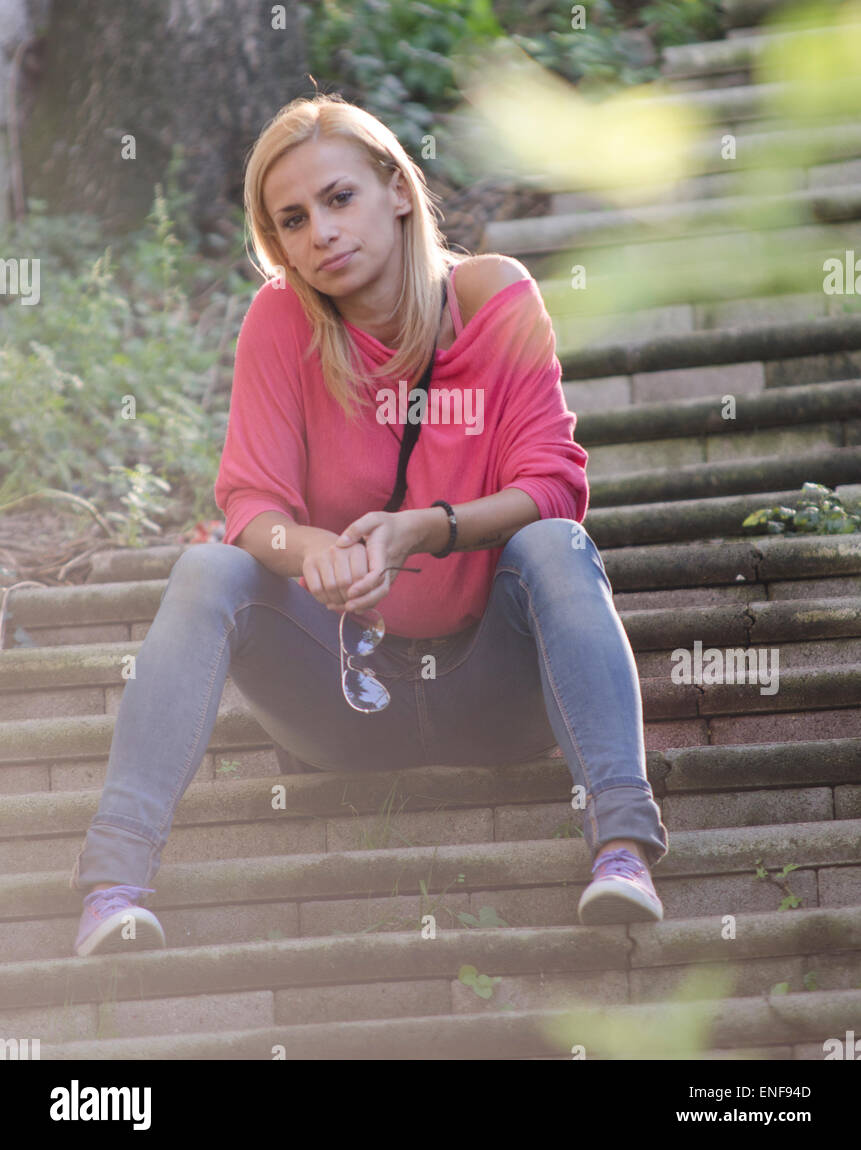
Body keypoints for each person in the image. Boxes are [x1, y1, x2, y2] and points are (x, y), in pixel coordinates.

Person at [70, 93, 669, 958]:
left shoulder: (493, 296)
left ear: (396, 187)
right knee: (209, 569)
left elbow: (553, 485)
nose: (320, 233)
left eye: (339, 199)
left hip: (495, 695)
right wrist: (311, 551)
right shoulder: (280, 321)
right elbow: (249, 505)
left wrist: (424, 530)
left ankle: (620, 848)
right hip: (345, 699)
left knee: (553, 543)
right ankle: (113, 883)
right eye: (292, 220)